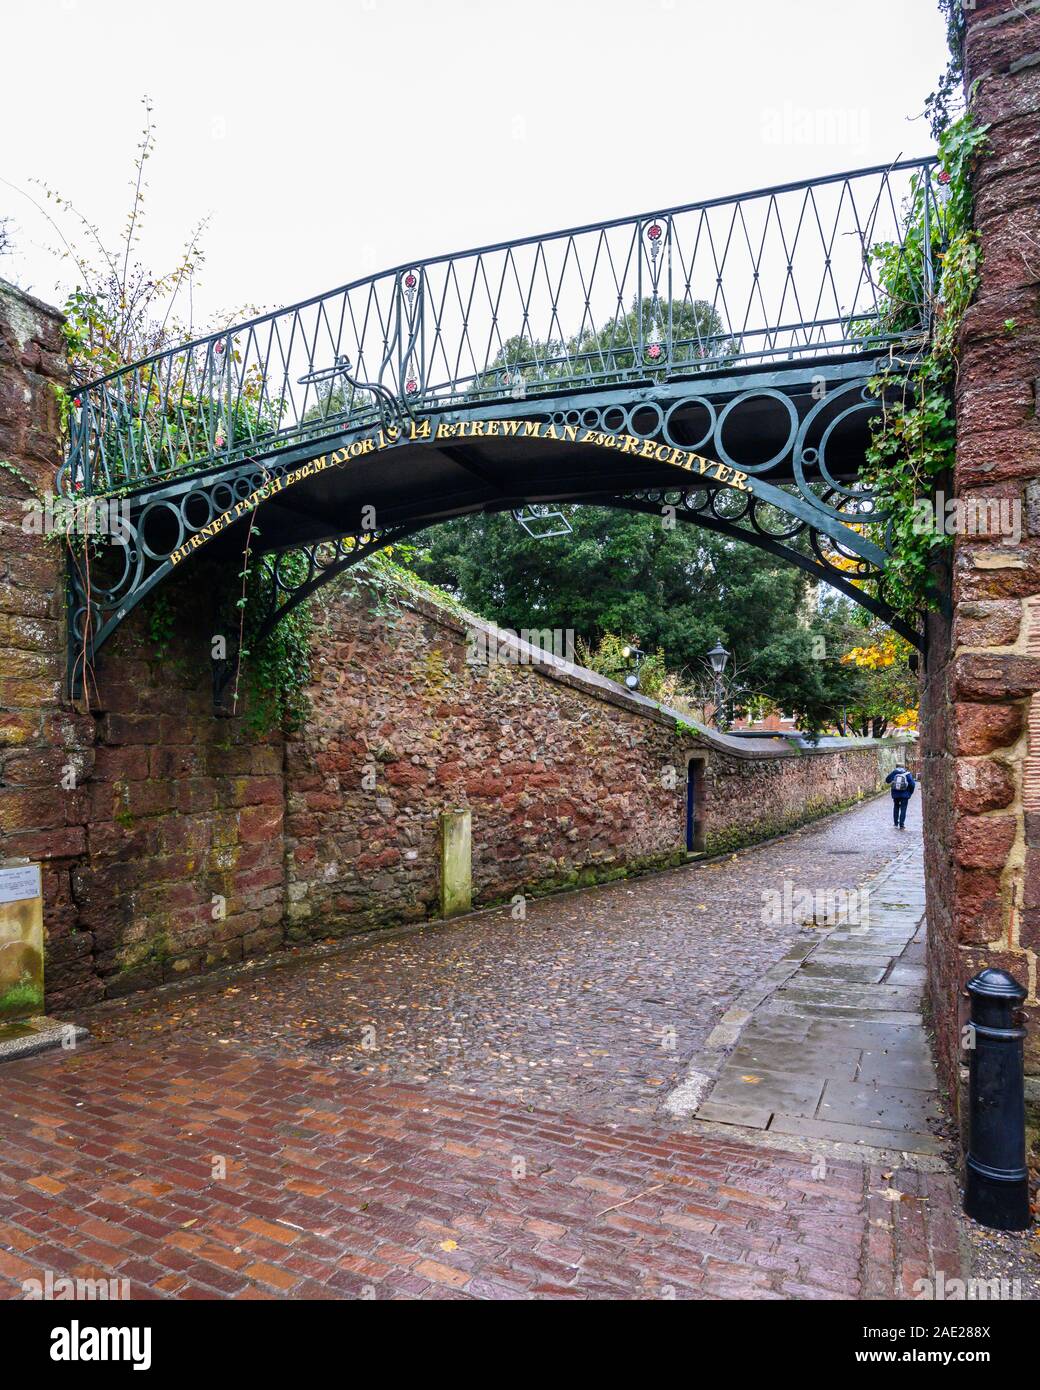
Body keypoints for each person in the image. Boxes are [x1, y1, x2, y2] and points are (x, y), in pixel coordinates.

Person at [885, 763, 916, 829]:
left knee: (896, 807)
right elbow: (912, 784)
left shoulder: (894, 773)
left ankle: (896, 823)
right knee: (903, 809)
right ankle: (901, 824)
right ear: (904, 767)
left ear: (896, 767)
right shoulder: (907, 774)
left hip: (895, 794)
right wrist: (910, 793)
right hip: (905, 795)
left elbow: (887, 780)